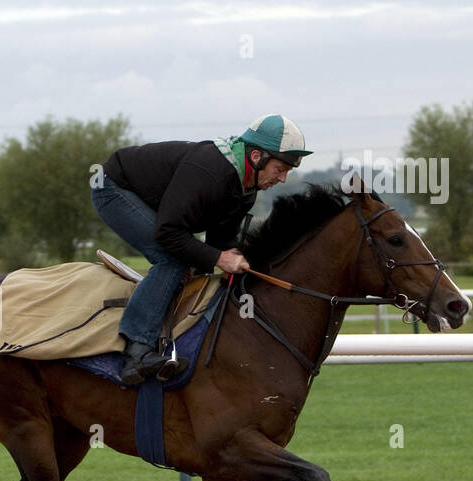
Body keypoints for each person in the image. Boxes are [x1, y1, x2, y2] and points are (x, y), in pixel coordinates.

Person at [92, 114, 311, 385]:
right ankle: (136, 352)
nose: (283, 178)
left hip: (153, 201)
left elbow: (219, 241)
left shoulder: (246, 188)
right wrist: (220, 258)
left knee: (193, 262)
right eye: (280, 168)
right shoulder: (211, 171)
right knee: (172, 259)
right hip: (112, 186)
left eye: (288, 170)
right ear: (256, 156)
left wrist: (244, 259)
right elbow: (168, 233)